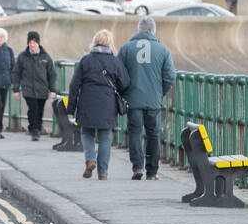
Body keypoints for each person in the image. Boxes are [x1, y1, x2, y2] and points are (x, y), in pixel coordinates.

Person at [116, 16, 175, 180]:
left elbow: (118, 74)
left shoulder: (126, 48)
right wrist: (159, 92)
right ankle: (152, 171)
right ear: (153, 30)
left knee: (135, 132)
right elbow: (170, 76)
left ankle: (137, 167)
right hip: (153, 101)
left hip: (133, 99)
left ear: (138, 30)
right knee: (153, 134)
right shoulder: (163, 50)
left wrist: (124, 92)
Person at [66, 29, 130, 179]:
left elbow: (74, 85)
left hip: (87, 102)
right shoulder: (115, 61)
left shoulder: (86, 60)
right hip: (107, 104)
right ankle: (103, 173)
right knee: (105, 138)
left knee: (87, 133)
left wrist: (71, 108)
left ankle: (90, 159)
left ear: (95, 42)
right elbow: (125, 83)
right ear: (110, 43)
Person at [12, 30, 56, 141]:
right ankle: (35, 131)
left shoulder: (46, 57)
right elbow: (16, 73)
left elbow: (52, 74)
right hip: (28, 88)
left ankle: (34, 127)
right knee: (33, 109)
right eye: (30, 42)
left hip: (42, 88)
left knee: (40, 110)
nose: (32, 45)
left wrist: (52, 89)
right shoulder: (22, 57)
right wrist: (16, 89)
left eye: (34, 42)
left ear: (38, 43)